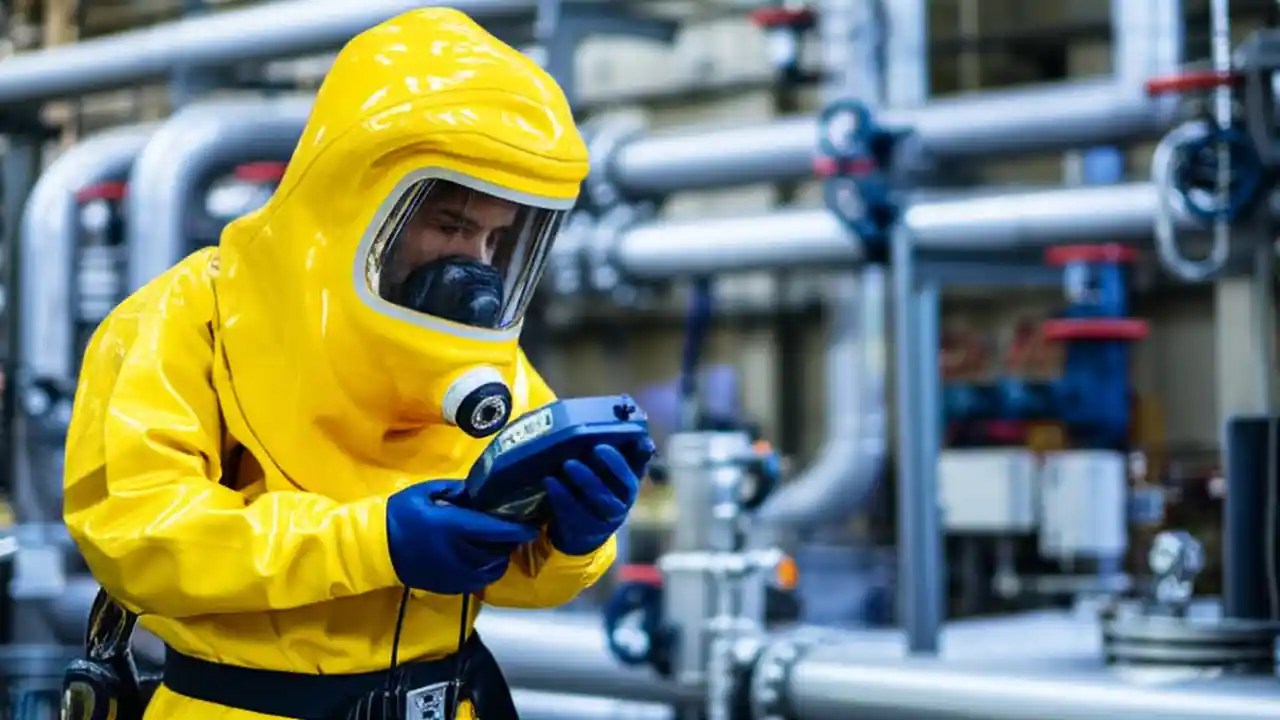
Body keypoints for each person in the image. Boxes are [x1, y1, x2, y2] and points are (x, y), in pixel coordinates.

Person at [61, 8, 653, 720]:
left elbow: (509, 576)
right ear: (356, 200)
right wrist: (374, 543)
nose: (479, 270)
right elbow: (139, 536)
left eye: (499, 241)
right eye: (453, 226)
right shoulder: (190, 320)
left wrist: (571, 541)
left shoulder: (482, 354)